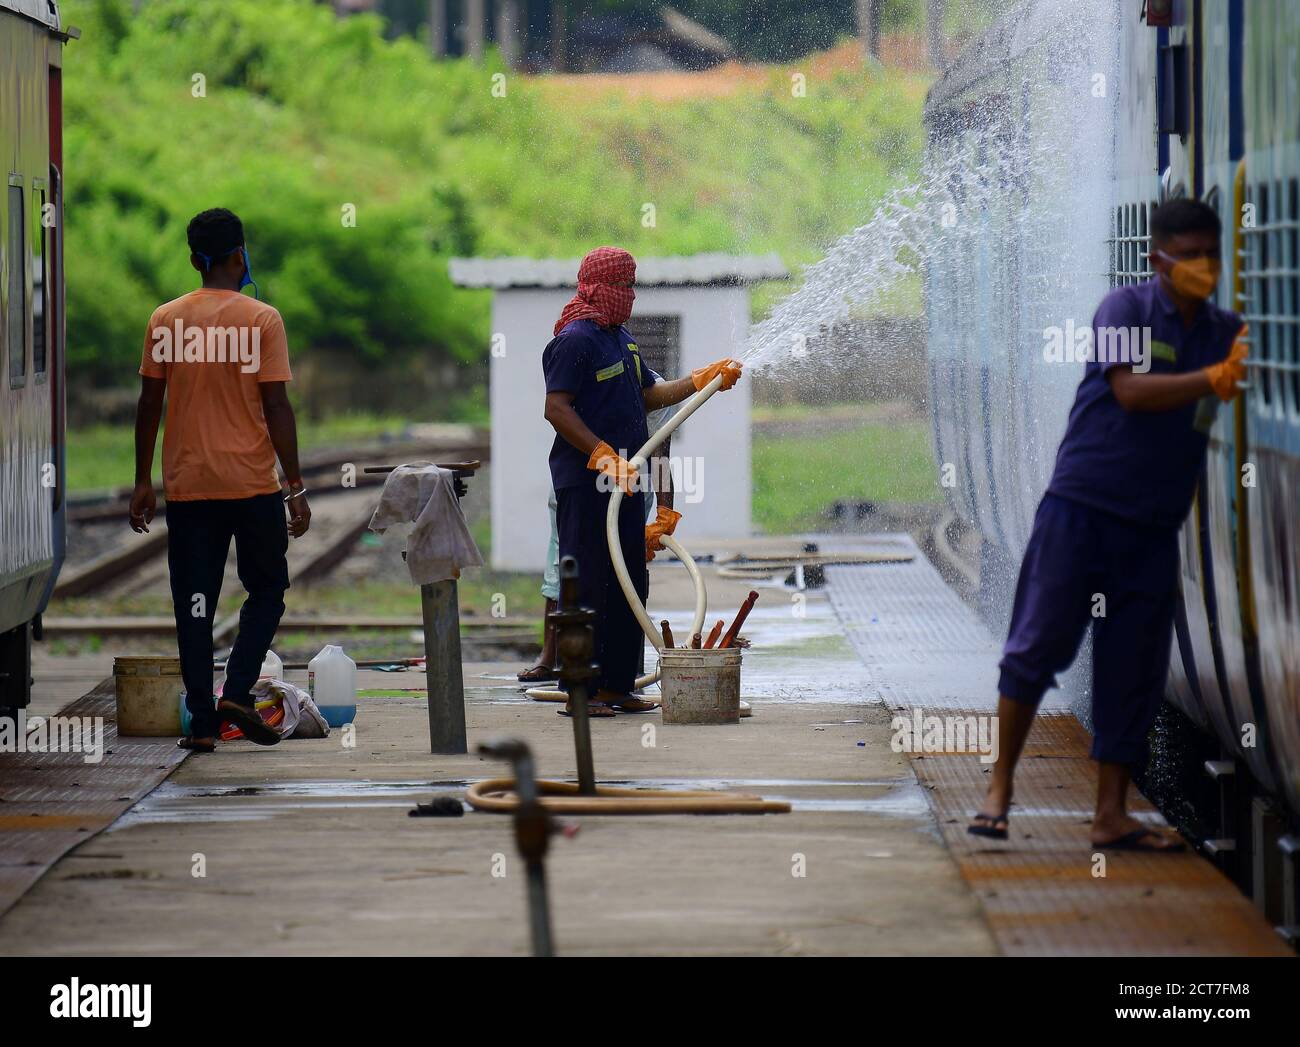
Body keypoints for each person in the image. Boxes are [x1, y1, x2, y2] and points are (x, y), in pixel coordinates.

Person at [969, 198, 1248, 850]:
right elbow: (1128, 389)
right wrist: (1211, 378)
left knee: (1133, 668)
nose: (1202, 267)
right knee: (1036, 647)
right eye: (1188, 257)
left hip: (1151, 525)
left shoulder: (1225, 330)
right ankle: (998, 790)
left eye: (1211, 254)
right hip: (1082, 508)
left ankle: (1111, 815)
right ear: (1158, 260)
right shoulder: (1123, 311)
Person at [129, 208, 311, 753]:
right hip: (252, 485)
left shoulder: (166, 319)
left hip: (189, 488)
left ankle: (204, 725)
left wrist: (142, 480)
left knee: (194, 603)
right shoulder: (263, 320)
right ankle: (236, 692)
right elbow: (276, 405)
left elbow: (149, 402)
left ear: (193, 261)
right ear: (240, 257)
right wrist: (295, 487)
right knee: (267, 590)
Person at [542, 246, 741, 715]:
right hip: (588, 483)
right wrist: (600, 454)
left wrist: (699, 380)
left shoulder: (623, 341)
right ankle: (581, 692)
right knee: (588, 584)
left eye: (632, 287)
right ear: (595, 287)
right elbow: (555, 408)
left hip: (629, 483)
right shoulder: (574, 340)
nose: (627, 296)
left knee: (629, 581)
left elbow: (650, 396)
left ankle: (617, 685)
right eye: (620, 286)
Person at [518, 374, 677, 685]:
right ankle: (553, 657)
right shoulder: (601, 386)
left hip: (629, 487)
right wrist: (604, 460)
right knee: (565, 565)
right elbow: (563, 419)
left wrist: (665, 510)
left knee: (627, 568)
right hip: (583, 481)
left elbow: (660, 459)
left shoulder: (660, 402)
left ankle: (626, 666)